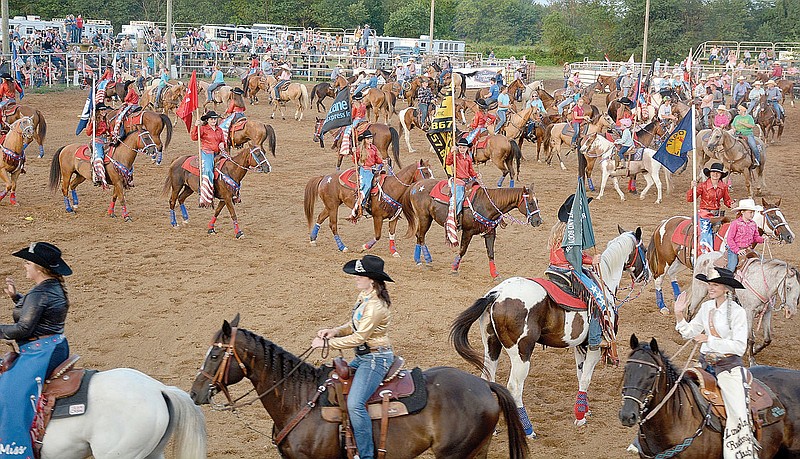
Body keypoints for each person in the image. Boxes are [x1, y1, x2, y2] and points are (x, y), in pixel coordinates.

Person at [312, 254, 394, 459]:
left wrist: (327, 344)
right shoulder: (364, 297)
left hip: (376, 359)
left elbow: (359, 338)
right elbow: (352, 326)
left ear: (371, 279)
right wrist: (334, 331)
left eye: (359, 275)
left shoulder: (375, 307)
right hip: (365, 357)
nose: (356, 278)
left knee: (355, 404)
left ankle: (366, 455)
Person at [673, 268, 757, 459]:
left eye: (715, 285)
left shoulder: (738, 312)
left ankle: (740, 454)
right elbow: (690, 332)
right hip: (704, 366)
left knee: (737, 413)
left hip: (728, 367)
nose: (710, 288)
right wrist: (679, 315)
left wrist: (709, 340)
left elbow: (739, 347)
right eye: (710, 284)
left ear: (726, 288)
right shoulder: (706, 308)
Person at [0, 242, 72, 459]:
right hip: (54, 346)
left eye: (28, 262)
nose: (25, 266)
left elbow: (23, 328)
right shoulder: (51, 287)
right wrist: (17, 298)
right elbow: (41, 309)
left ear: (39, 268)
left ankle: (15, 451)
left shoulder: (40, 293)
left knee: (10, 394)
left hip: (40, 352)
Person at [688, 162, 733, 255]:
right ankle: (704, 253)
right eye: (713, 172)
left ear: (720, 175)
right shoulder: (702, 186)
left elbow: (727, 200)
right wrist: (692, 188)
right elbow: (690, 199)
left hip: (717, 214)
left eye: (718, 173)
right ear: (710, 173)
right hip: (705, 214)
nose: (715, 174)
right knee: (705, 233)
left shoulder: (724, 187)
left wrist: (733, 204)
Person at [190, 111, 224, 208]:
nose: (214, 120)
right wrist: (196, 126)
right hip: (207, 152)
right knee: (208, 170)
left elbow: (223, 140)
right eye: (211, 119)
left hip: (218, 153)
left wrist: (222, 143)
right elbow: (194, 137)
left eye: (215, 118)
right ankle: (206, 193)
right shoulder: (203, 129)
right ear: (207, 120)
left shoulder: (219, 130)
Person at [349, 130, 382, 221]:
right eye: (368, 139)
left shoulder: (374, 148)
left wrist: (383, 161)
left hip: (373, 169)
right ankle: (359, 206)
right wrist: (354, 153)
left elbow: (377, 159)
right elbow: (355, 160)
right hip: (365, 170)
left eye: (371, 138)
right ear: (364, 140)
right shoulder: (360, 149)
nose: (370, 140)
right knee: (366, 186)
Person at [725, 199, 765, 272]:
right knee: (732, 267)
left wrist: (763, 239)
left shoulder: (753, 224)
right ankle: (726, 280)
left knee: (762, 261)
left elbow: (756, 237)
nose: (752, 214)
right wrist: (737, 250)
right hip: (735, 250)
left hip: (748, 249)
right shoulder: (735, 223)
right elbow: (730, 239)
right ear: (742, 212)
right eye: (750, 212)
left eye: (753, 212)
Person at [446, 138, 479, 222]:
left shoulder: (468, 158)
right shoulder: (455, 156)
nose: (461, 149)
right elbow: (448, 162)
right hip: (458, 180)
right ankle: (455, 217)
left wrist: (476, 175)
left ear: (467, 148)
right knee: (459, 198)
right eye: (460, 147)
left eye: (463, 148)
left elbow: (470, 170)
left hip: (468, 180)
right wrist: (451, 152)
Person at [86, 103, 111, 187]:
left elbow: (110, 131)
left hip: (106, 140)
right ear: (98, 111)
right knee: (99, 157)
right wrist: (92, 123)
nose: (104, 111)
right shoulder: (94, 121)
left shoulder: (106, 120)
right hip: (97, 141)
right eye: (102, 110)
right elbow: (88, 133)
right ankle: (98, 176)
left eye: (105, 110)